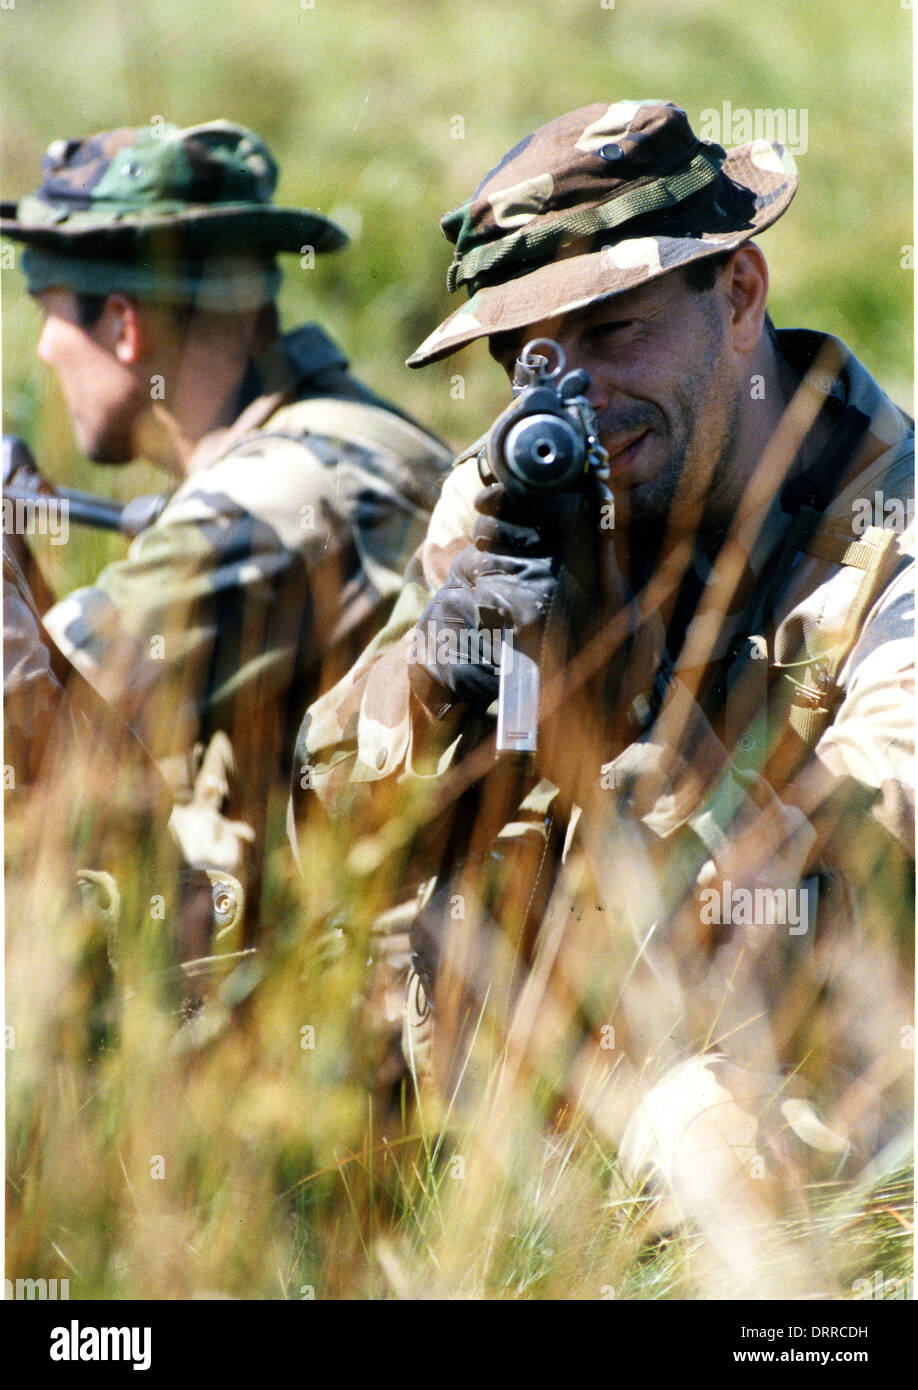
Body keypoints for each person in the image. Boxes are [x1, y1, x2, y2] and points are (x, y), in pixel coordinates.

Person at [294, 101, 914, 1218]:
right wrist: (447, 663)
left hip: (783, 1113)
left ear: (738, 294)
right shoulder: (523, 500)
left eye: (613, 330)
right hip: (497, 1140)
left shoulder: (892, 542)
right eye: (528, 357)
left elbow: (876, 858)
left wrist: (618, 695)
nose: (570, 394)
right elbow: (329, 821)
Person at [2, 120, 452, 943]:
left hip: (374, 1024)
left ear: (124, 324)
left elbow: (44, 775)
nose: (42, 349)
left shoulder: (268, 507)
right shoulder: (345, 438)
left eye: (50, 309)